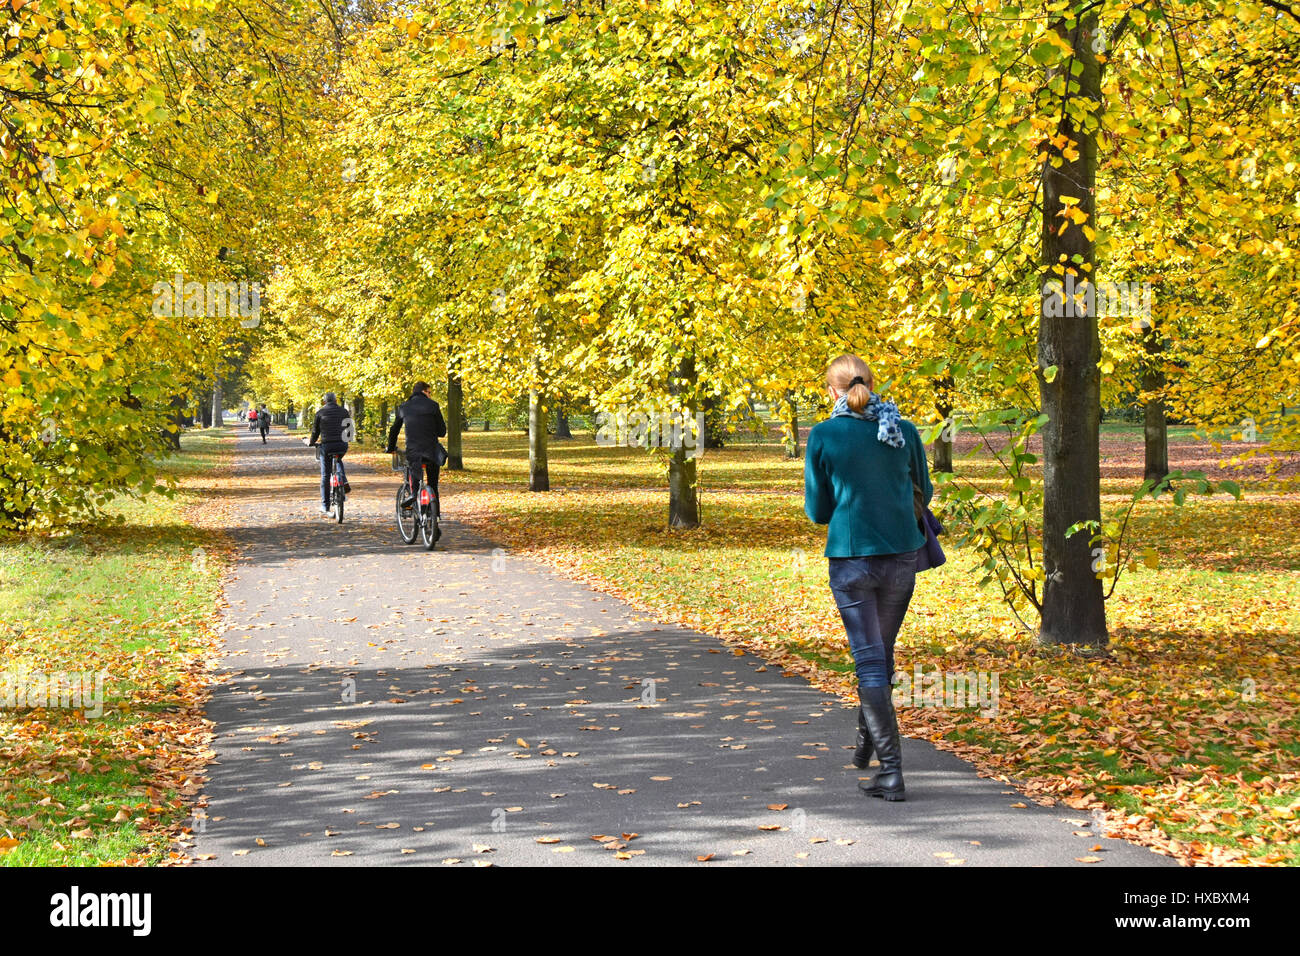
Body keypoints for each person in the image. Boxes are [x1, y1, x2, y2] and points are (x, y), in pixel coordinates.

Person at [803, 353, 932, 801]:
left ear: (833, 392)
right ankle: (867, 745)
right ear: (870, 384)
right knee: (881, 654)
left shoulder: (823, 435)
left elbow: (818, 511)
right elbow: (925, 491)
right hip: (901, 555)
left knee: (870, 660)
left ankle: (891, 773)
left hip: (852, 560)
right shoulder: (905, 429)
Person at [386, 381, 447, 513]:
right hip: (431, 452)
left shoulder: (404, 407)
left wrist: (390, 447)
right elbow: (442, 432)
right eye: (429, 392)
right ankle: (434, 518)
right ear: (424, 391)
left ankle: (414, 494)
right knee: (433, 484)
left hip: (414, 452)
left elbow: (394, 429)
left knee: (413, 470)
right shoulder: (433, 406)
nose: (430, 395)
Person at [308, 393, 352, 514]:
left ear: (324, 401)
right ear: (336, 400)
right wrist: (347, 440)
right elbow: (349, 429)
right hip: (342, 445)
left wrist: (312, 442)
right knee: (338, 459)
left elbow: (315, 431)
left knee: (325, 475)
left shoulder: (320, 413)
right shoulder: (344, 411)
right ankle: (343, 481)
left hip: (327, 446)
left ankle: (325, 506)